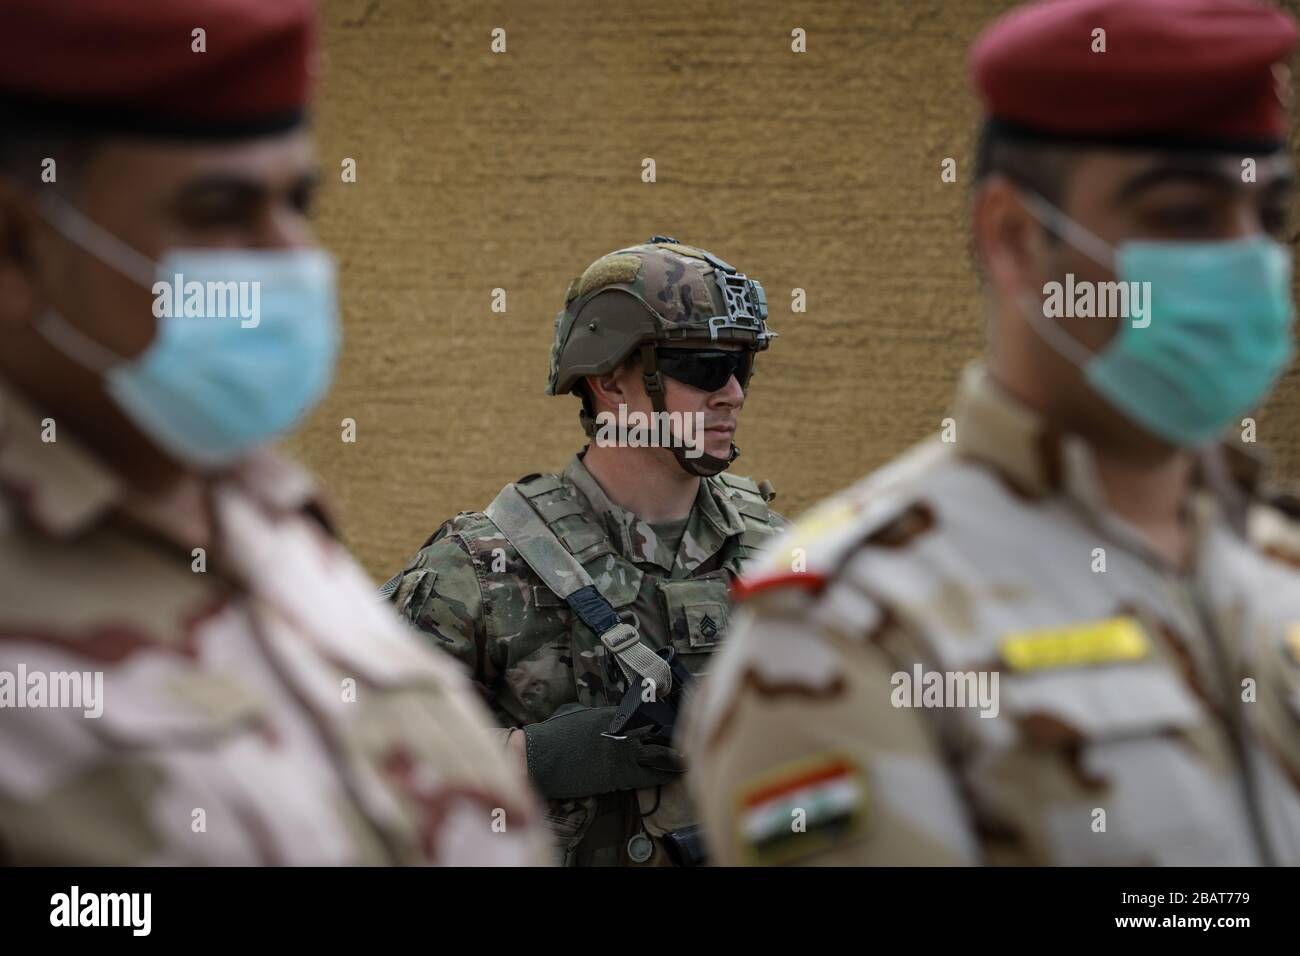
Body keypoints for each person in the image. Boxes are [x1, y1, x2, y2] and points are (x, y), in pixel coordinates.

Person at [685, 0, 1300, 866]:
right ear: (1013, 235)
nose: (1246, 262)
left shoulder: (1276, 566)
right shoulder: (849, 630)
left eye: (1269, 218)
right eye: (1184, 217)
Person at [0, 0, 548, 865]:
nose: (288, 254)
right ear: (19, 247)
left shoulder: (269, 523)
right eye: (219, 210)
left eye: (297, 201)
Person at [384, 237, 787, 865]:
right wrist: (536, 759)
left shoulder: (775, 552)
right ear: (610, 382)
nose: (732, 392)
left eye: (743, 364)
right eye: (705, 365)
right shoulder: (483, 567)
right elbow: (343, 758)